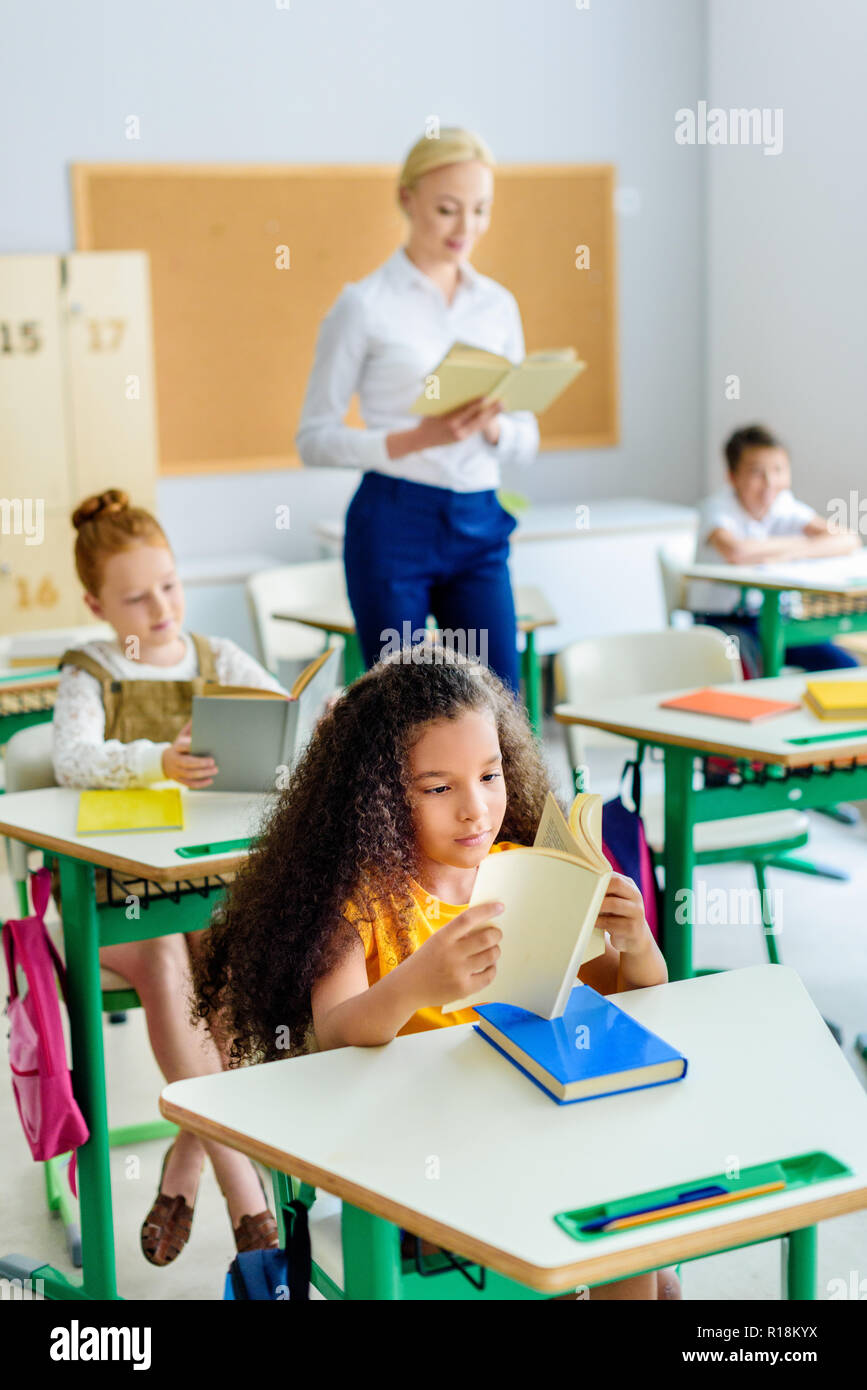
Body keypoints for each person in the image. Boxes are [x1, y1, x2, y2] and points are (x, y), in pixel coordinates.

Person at [193, 645, 679, 1299]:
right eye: (438, 787)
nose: (475, 807)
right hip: (420, 1166)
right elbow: (335, 1032)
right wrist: (415, 985)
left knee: (642, 1247)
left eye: (489, 774)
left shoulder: (522, 870)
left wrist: (637, 946)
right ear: (375, 798)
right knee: (625, 1238)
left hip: (530, 1125)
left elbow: (631, 1003)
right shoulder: (358, 902)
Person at [52, 489, 285, 1265]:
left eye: (170, 585)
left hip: (197, 891)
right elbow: (71, 760)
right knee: (162, 957)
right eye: (135, 597)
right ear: (94, 603)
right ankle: (243, 1192)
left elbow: (279, 712)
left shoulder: (218, 659)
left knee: (219, 962)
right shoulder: (90, 673)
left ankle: (186, 1162)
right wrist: (157, 761)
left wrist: (303, 726)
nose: (161, 608)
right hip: (103, 904)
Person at [296, 127, 540, 693]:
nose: (467, 229)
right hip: (394, 520)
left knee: (498, 703)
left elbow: (527, 437)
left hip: (480, 518)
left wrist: (496, 425)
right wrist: (418, 437)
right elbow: (314, 438)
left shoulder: (498, 305)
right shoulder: (363, 305)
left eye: (481, 211)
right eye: (448, 209)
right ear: (407, 199)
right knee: (401, 709)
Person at [689, 425, 860, 676]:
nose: (770, 482)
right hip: (723, 622)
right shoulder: (717, 508)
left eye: (778, 470)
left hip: (781, 621)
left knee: (845, 669)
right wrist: (803, 545)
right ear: (733, 476)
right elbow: (737, 552)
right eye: (757, 472)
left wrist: (787, 552)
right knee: (751, 674)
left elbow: (848, 539)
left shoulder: (783, 505)